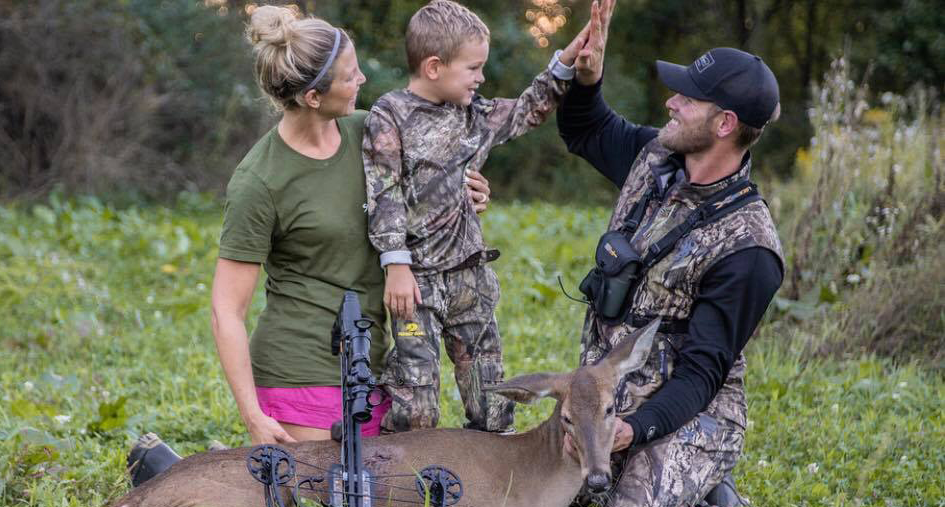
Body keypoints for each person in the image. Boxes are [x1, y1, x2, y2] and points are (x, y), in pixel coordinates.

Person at [125, 4, 495, 487]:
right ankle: (181, 475)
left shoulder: (373, 131)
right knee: (330, 490)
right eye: (349, 75)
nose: (363, 78)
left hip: (380, 360)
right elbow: (226, 310)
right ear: (314, 96)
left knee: (394, 488)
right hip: (302, 369)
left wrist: (468, 193)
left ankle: (220, 468)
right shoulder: (260, 180)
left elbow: (429, 186)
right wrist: (254, 415)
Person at [556, 1, 783, 505]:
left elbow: (702, 374)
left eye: (688, 98)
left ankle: (710, 484)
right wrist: (586, 79)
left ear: (724, 124)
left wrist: (634, 431)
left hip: (693, 415)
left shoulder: (749, 248)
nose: (671, 103)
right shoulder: (655, 157)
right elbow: (585, 129)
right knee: (542, 490)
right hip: (609, 398)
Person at [363, 0, 591, 434]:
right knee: (417, 412)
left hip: (471, 281)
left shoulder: (475, 116)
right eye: (472, 68)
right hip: (417, 286)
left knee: (493, 410)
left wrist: (566, 61)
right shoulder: (389, 114)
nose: (481, 78)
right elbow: (384, 191)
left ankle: (489, 480)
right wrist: (395, 263)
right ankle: (384, 458)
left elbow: (530, 108)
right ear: (434, 67)